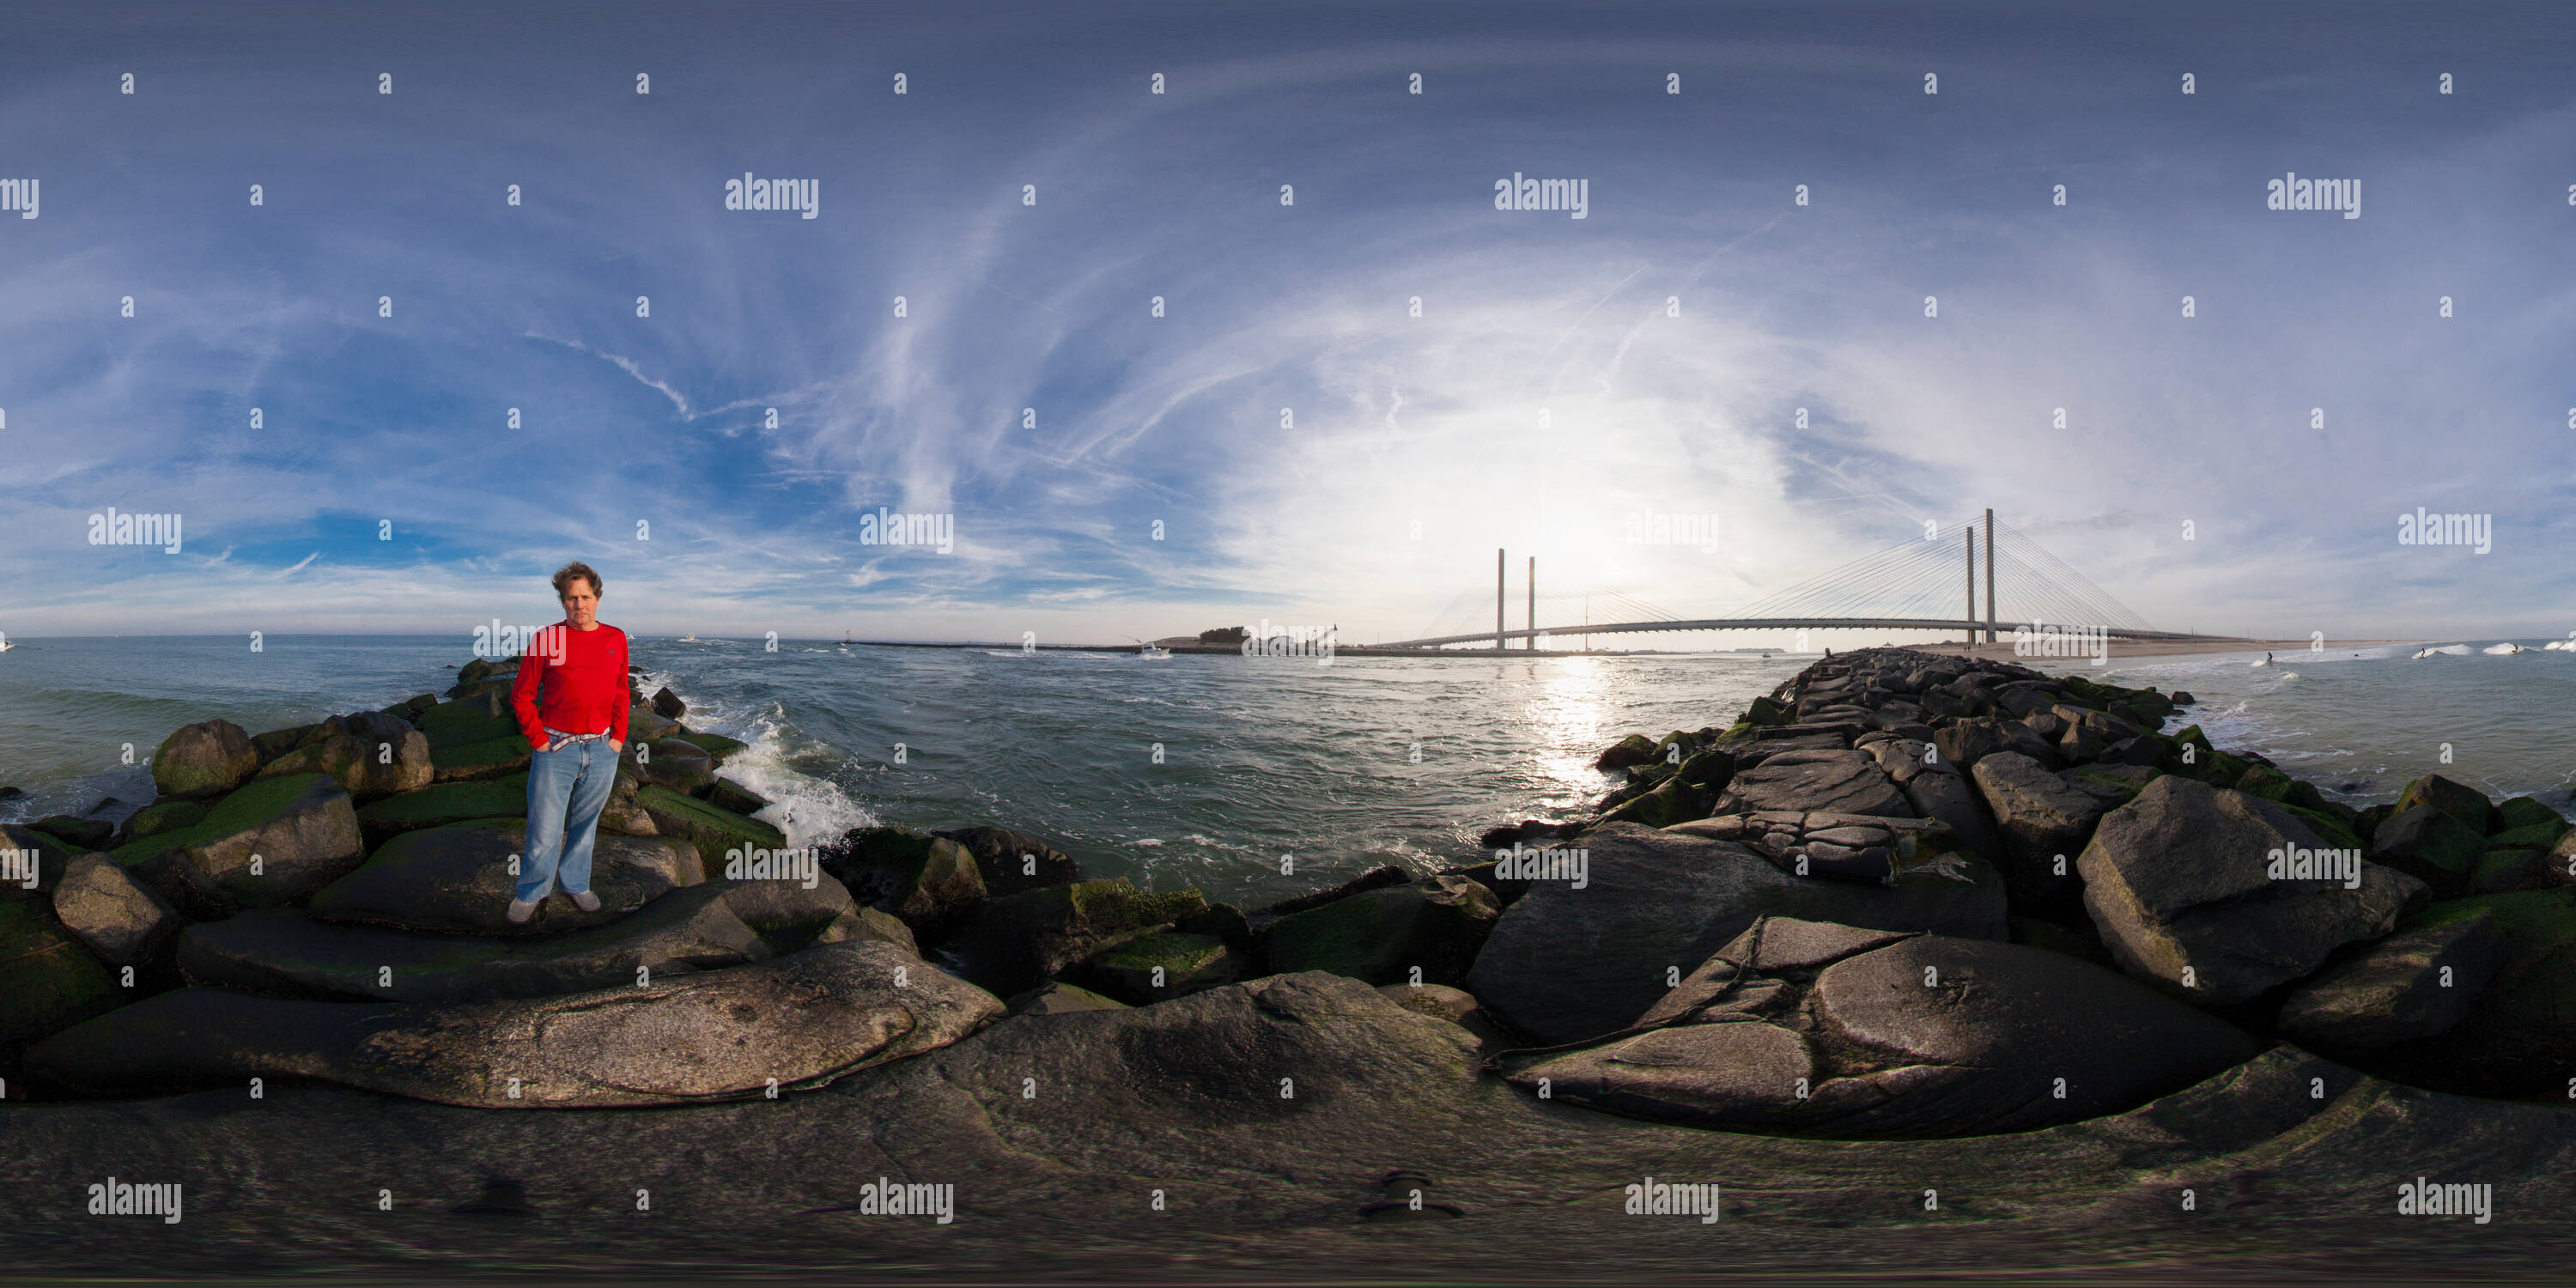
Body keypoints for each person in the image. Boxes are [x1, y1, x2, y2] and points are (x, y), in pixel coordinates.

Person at [506, 562, 629, 924]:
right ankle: (532, 891)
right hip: (555, 749)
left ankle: (575, 883)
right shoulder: (548, 639)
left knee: (585, 825)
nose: (580, 605)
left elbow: (622, 692)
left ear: (598, 598)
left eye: (586, 597)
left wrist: (618, 738)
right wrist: (539, 741)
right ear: (562, 602)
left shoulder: (615, 639)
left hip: (602, 748)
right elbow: (522, 695)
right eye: (572, 599)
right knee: (544, 828)